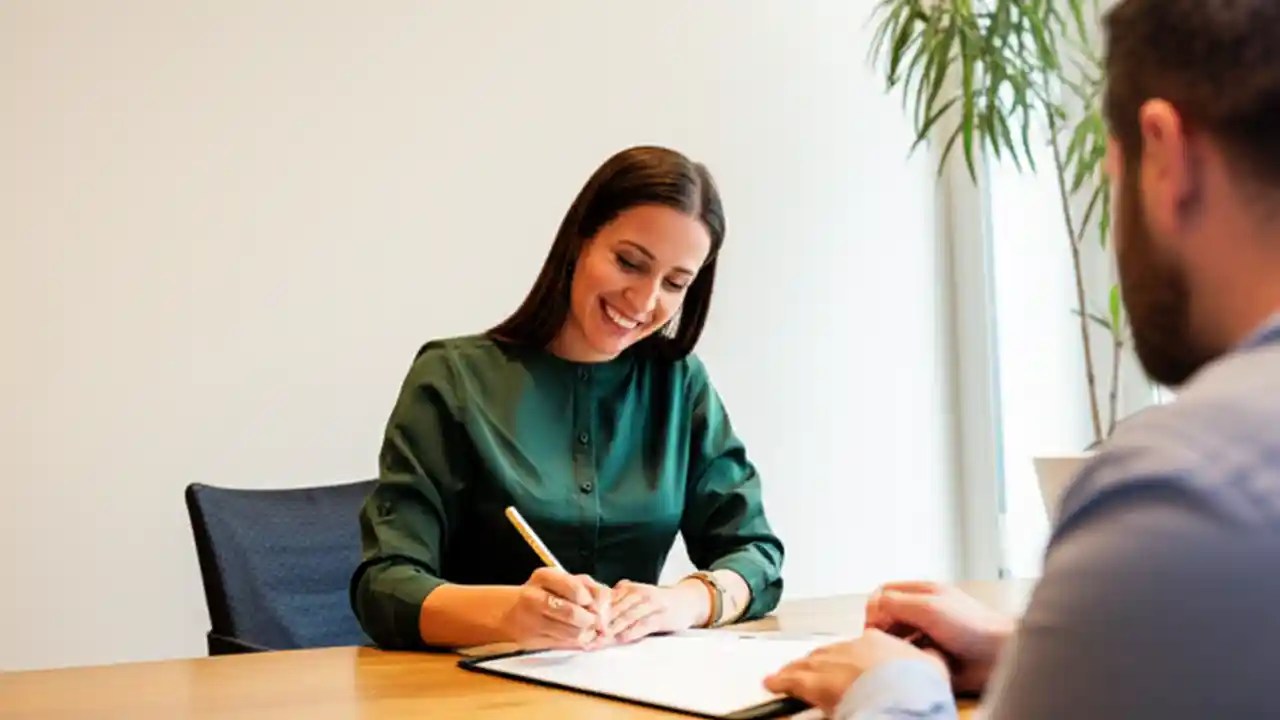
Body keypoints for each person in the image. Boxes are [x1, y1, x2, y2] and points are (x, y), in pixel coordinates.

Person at [764, 0, 1280, 717]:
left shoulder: (1187, 485)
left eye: (1111, 168)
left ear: (1165, 156)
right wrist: (1032, 646)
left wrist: (890, 690)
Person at [349, 145, 784, 652]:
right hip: (474, 691)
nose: (644, 302)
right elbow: (383, 587)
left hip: (632, 690)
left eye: (674, 282)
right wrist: (508, 615)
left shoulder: (679, 384)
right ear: (581, 239)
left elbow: (755, 556)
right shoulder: (452, 377)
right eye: (629, 262)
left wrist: (681, 602)